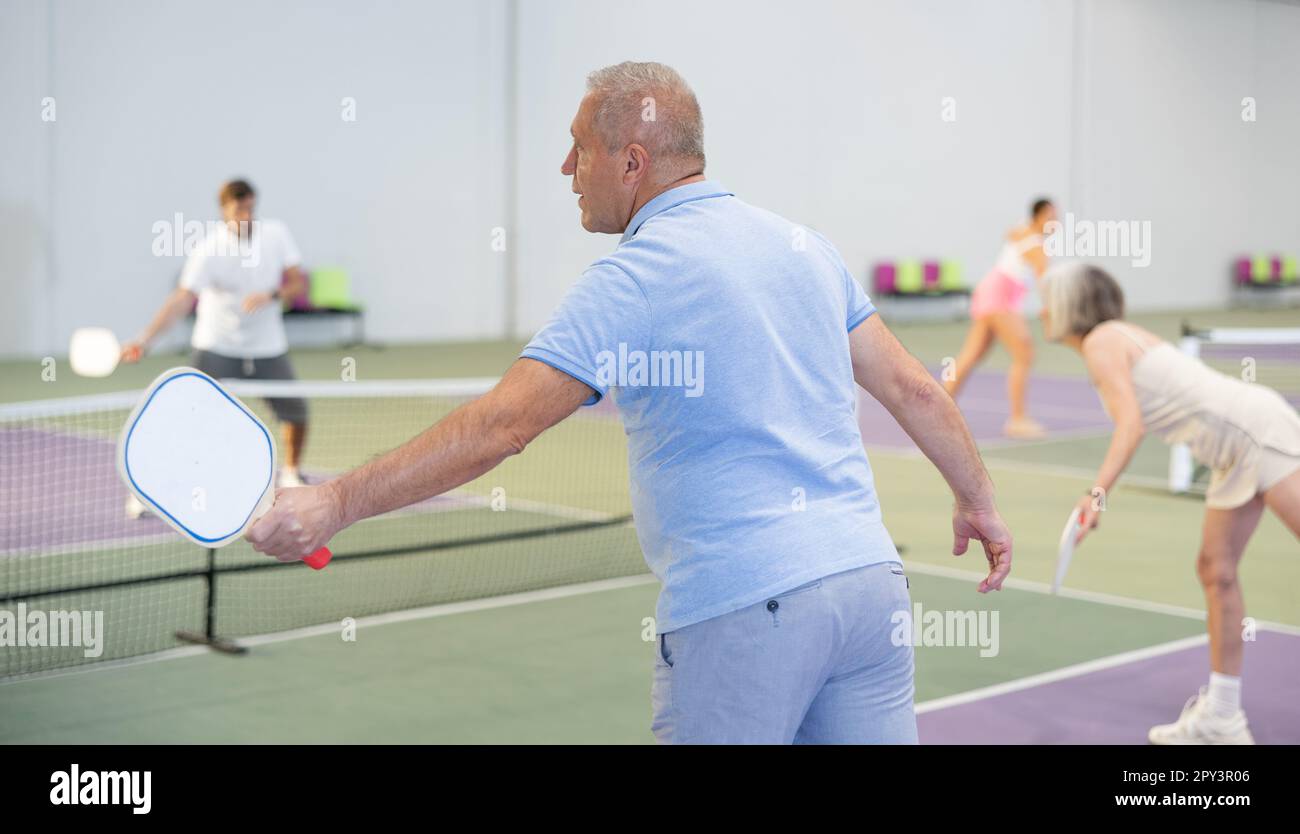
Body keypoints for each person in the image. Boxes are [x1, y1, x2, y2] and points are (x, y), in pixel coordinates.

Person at [247, 61, 1013, 744]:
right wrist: (978, 500)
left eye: (578, 149)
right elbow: (914, 386)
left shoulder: (633, 280)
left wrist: (335, 502)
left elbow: (502, 425)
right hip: (869, 591)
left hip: (745, 609)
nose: (564, 168)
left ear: (632, 161)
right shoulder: (804, 247)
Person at [1040, 263, 1300, 745]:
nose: (1039, 311)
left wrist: (1097, 495)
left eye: (1046, 301)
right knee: (1215, 569)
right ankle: (1223, 717)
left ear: (1068, 306)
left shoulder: (1101, 342)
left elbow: (1131, 425)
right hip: (1228, 452)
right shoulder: (1112, 339)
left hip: (1255, 433)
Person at [121, 179, 312, 499]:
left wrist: (272, 294)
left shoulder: (276, 234)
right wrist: (144, 340)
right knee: (190, 416)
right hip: (216, 344)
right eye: (239, 209)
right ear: (224, 210)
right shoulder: (208, 250)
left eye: (250, 207)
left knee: (296, 411)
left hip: (267, 345)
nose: (246, 215)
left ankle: (290, 473)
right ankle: (150, 486)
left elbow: (298, 284)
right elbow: (182, 300)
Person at [944, 198, 1056, 438]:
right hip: (999, 296)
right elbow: (1043, 280)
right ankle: (1018, 420)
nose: (1055, 222)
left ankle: (937, 409)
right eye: (1050, 216)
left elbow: (1012, 233)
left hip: (991, 291)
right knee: (1024, 353)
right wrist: (1050, 310)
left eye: (1056, 216)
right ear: (1038, 217)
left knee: (971, 354)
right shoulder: (1036, 246)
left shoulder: (1022, 231)